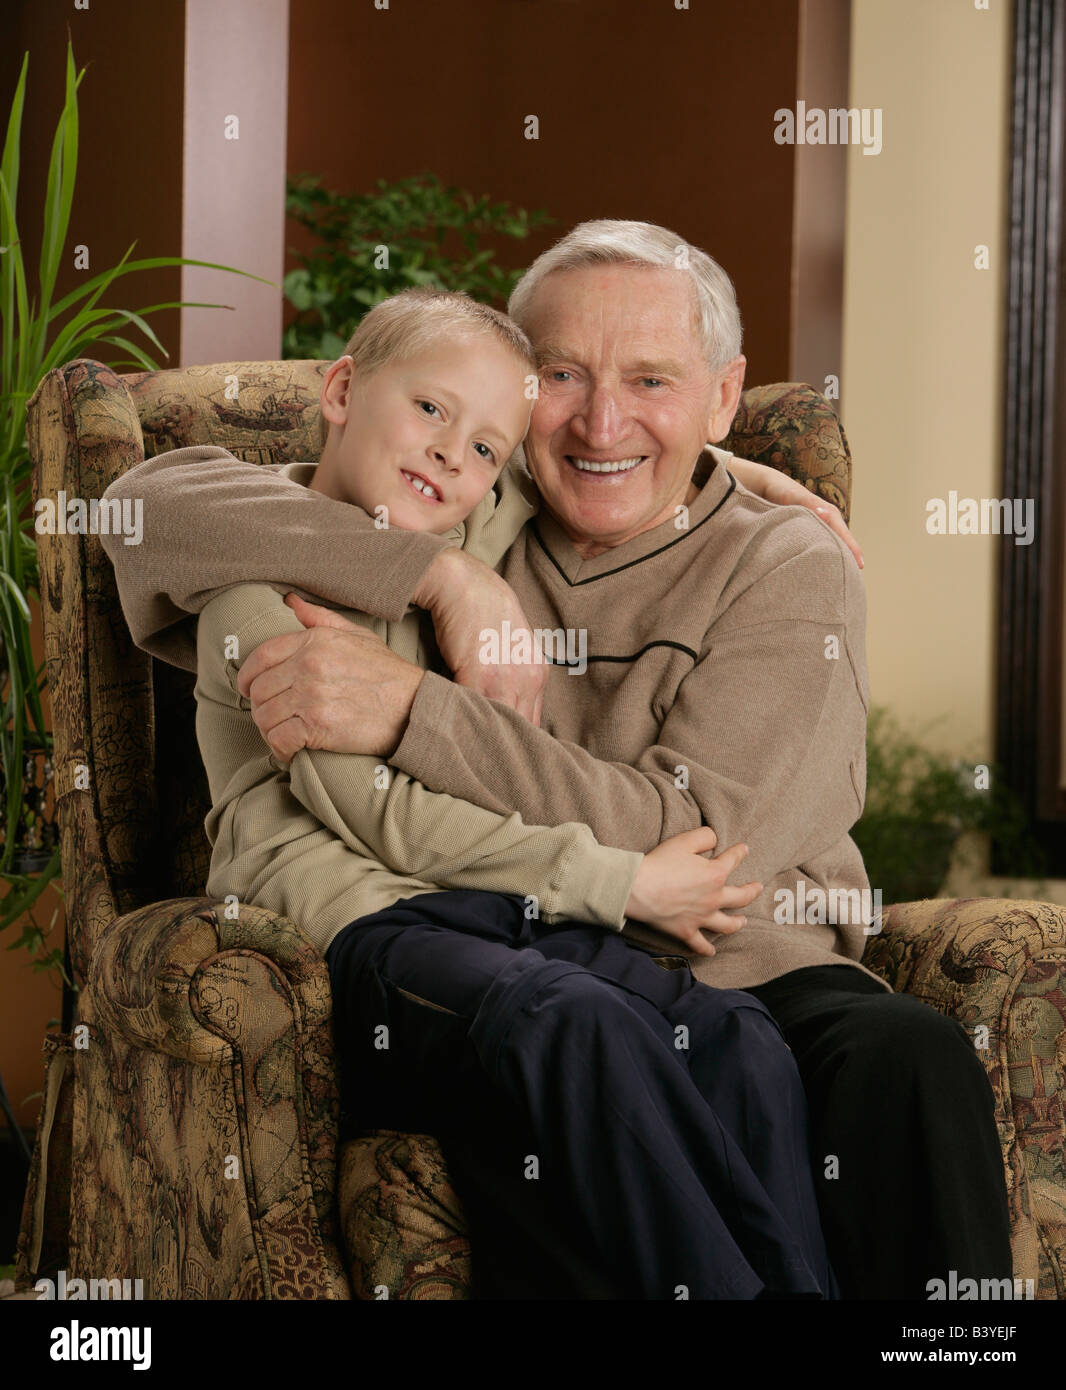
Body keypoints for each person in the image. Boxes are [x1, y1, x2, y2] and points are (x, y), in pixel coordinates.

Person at [100, 219, 1012, 1300]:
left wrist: (414, 714)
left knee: (904, 1060)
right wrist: (436, 580)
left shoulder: (787, 563)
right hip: (517, 940)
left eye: (652, 382)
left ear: (722, 398)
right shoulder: (475, 512)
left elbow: (696, 834)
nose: (602, 420)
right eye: (565, 377)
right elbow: (141, 507)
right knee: (570, 1059)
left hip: (741, 954)